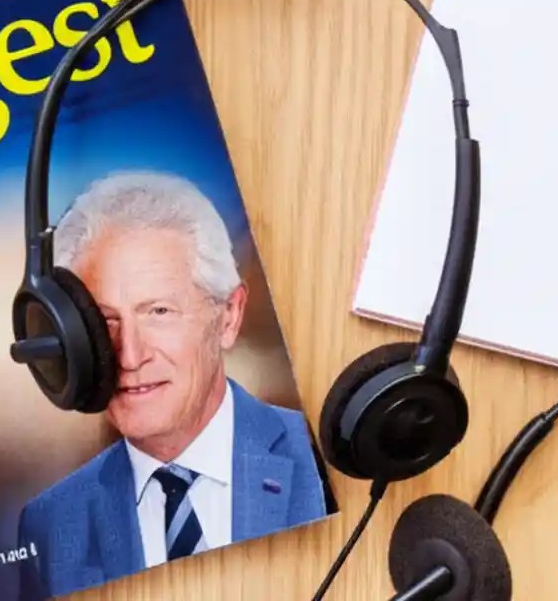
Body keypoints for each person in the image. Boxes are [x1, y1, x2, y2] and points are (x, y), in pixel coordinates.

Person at [17, 171, 328, 601]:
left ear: (229, 317)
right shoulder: (49, 525)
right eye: (105, 321)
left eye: (159, 312)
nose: (130, 356)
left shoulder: (318, 451)